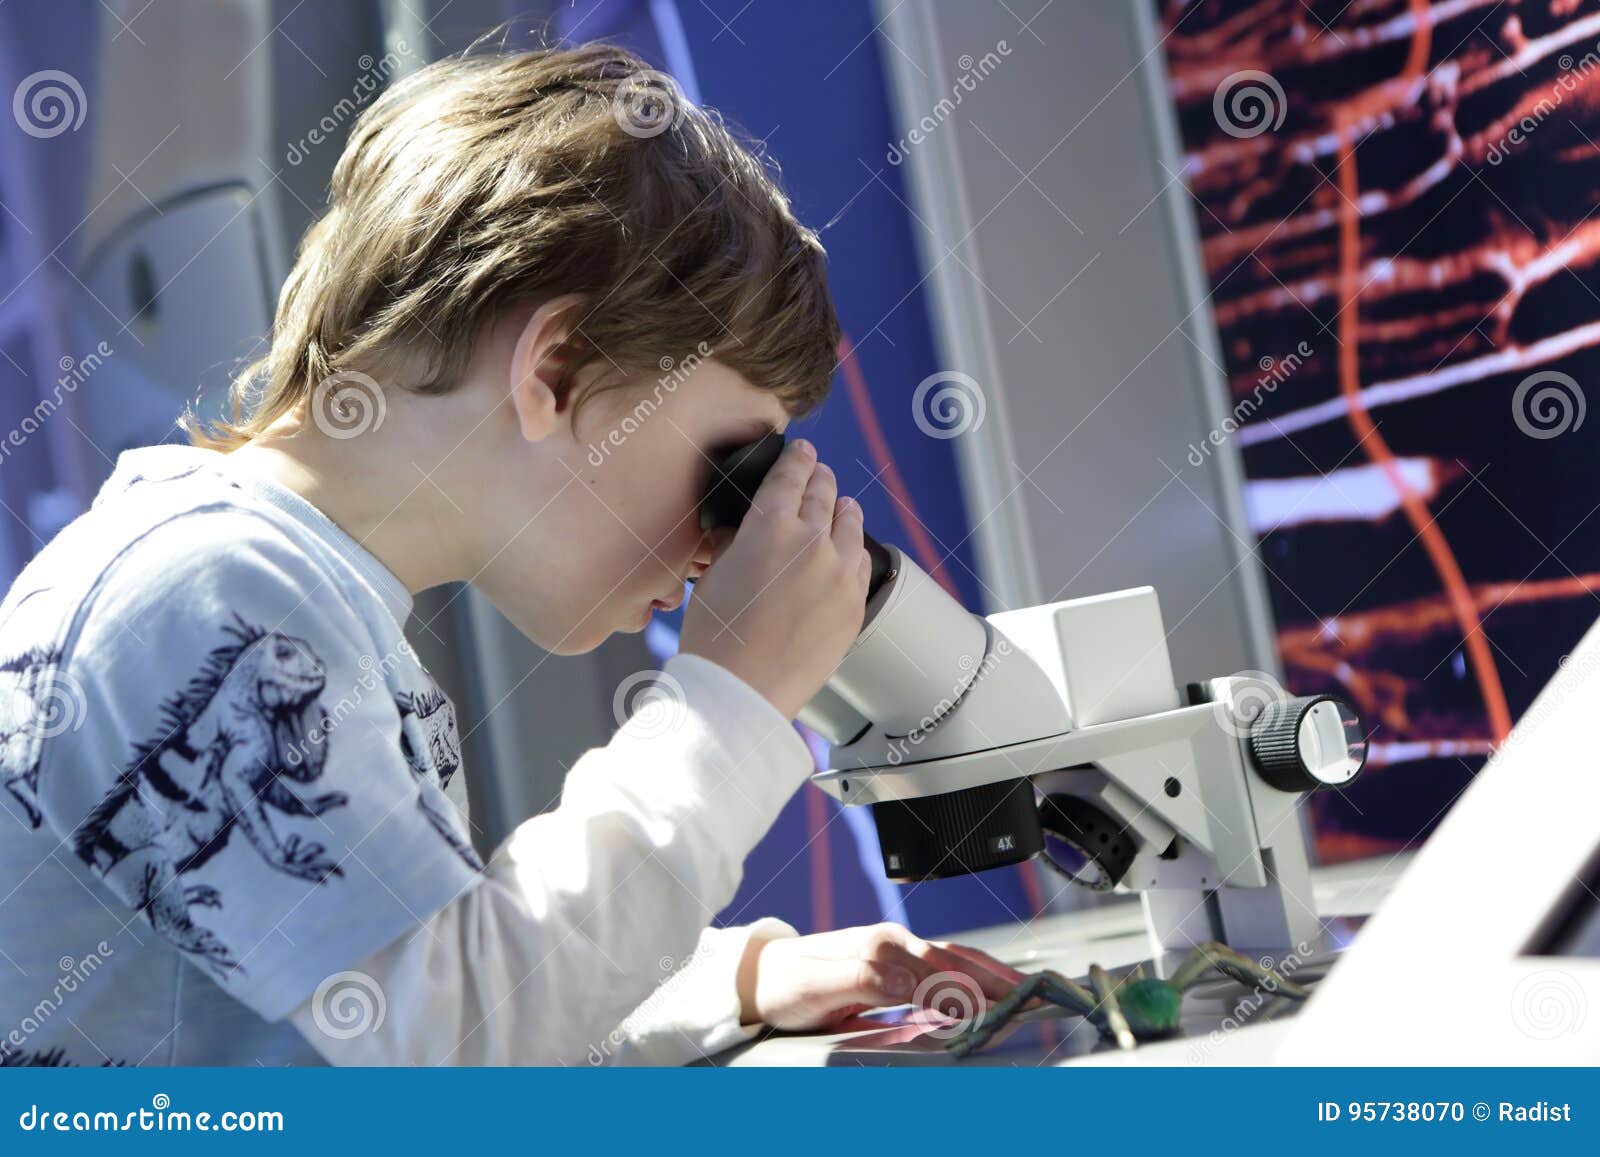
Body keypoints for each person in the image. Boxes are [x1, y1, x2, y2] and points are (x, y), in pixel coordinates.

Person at [0, 41, 1022, 1067]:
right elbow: (446, 1058)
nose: (724, 547)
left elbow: (414, 1001)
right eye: (731, 468)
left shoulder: (285, 592)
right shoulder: (212, 595)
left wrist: (734, 981)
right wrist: (731, 699)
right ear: (560, 370)